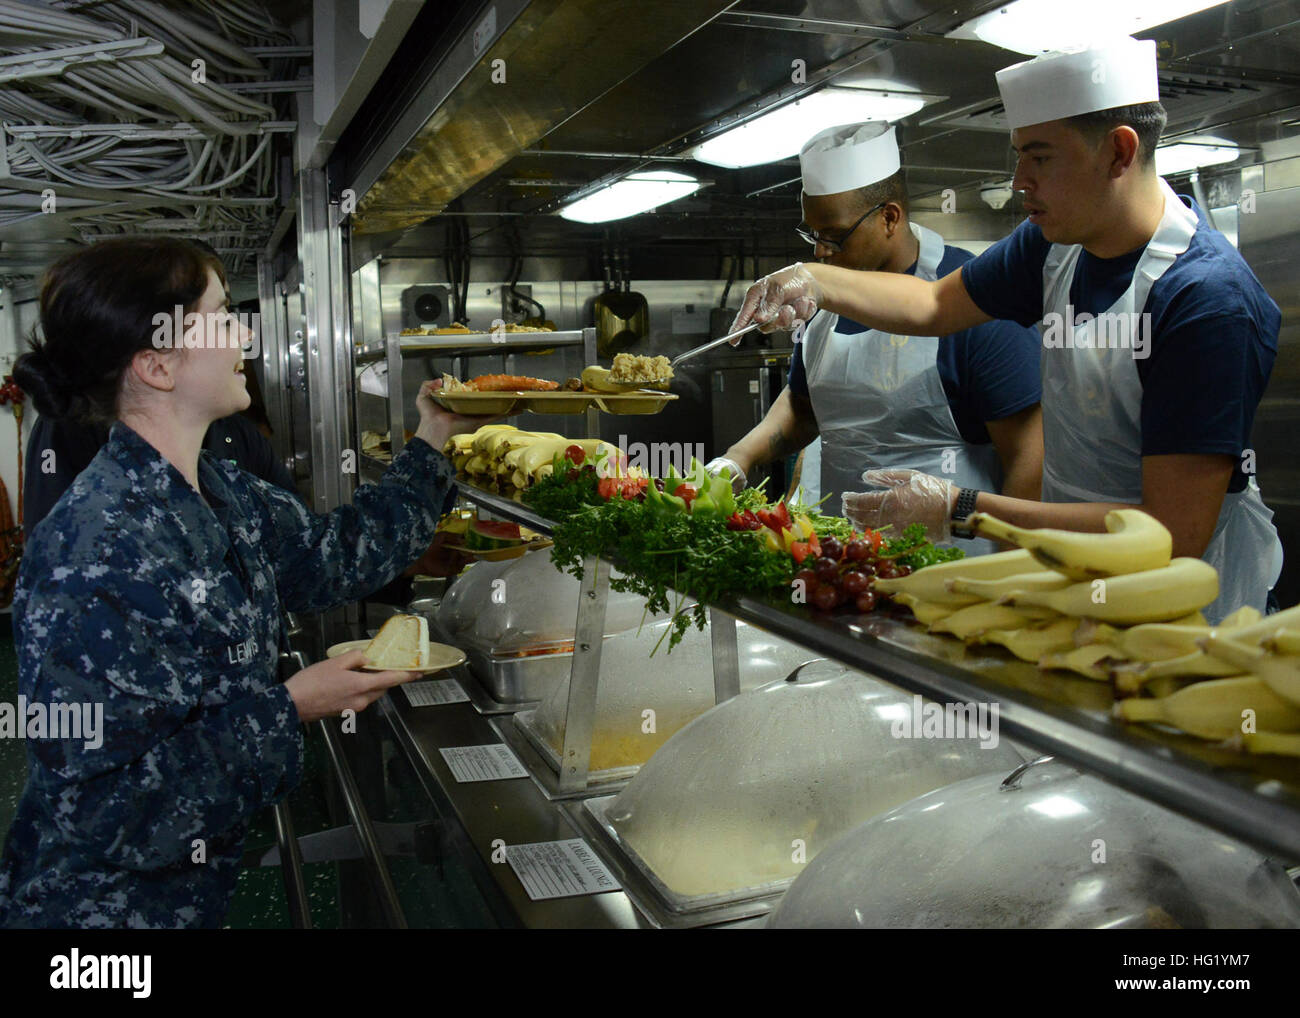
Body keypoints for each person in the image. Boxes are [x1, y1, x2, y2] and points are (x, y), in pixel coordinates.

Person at [0, 237, 493, 928]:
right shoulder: (94, 549)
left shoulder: (220, 492)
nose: (244, 334)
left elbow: (339, 554)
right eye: (222, 315)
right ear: (157, 363)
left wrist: (432, 436)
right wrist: (290, 707)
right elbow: (110, 810)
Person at [729, 38, 1282, 622]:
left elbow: (1170, 533)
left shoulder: (1205, 300)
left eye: (1039, 157)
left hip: (1188, 606)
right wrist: (813, 279)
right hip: (1076, 575)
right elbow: (933, 304)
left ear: (1119, 152)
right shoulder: (1051, 246)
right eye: (1018, 155)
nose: (1019, 181)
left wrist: (963, 508)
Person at [708, 124, 1043, 557]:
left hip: (949, 569)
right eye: (812, 235)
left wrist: (1011, 573)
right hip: (839, 563)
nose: (822, 253)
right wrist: (738, 458)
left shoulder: (974, 303)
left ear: (889, 217)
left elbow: (1029, 462)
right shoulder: (827, 309)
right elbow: (804, 405)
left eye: (835, 235)